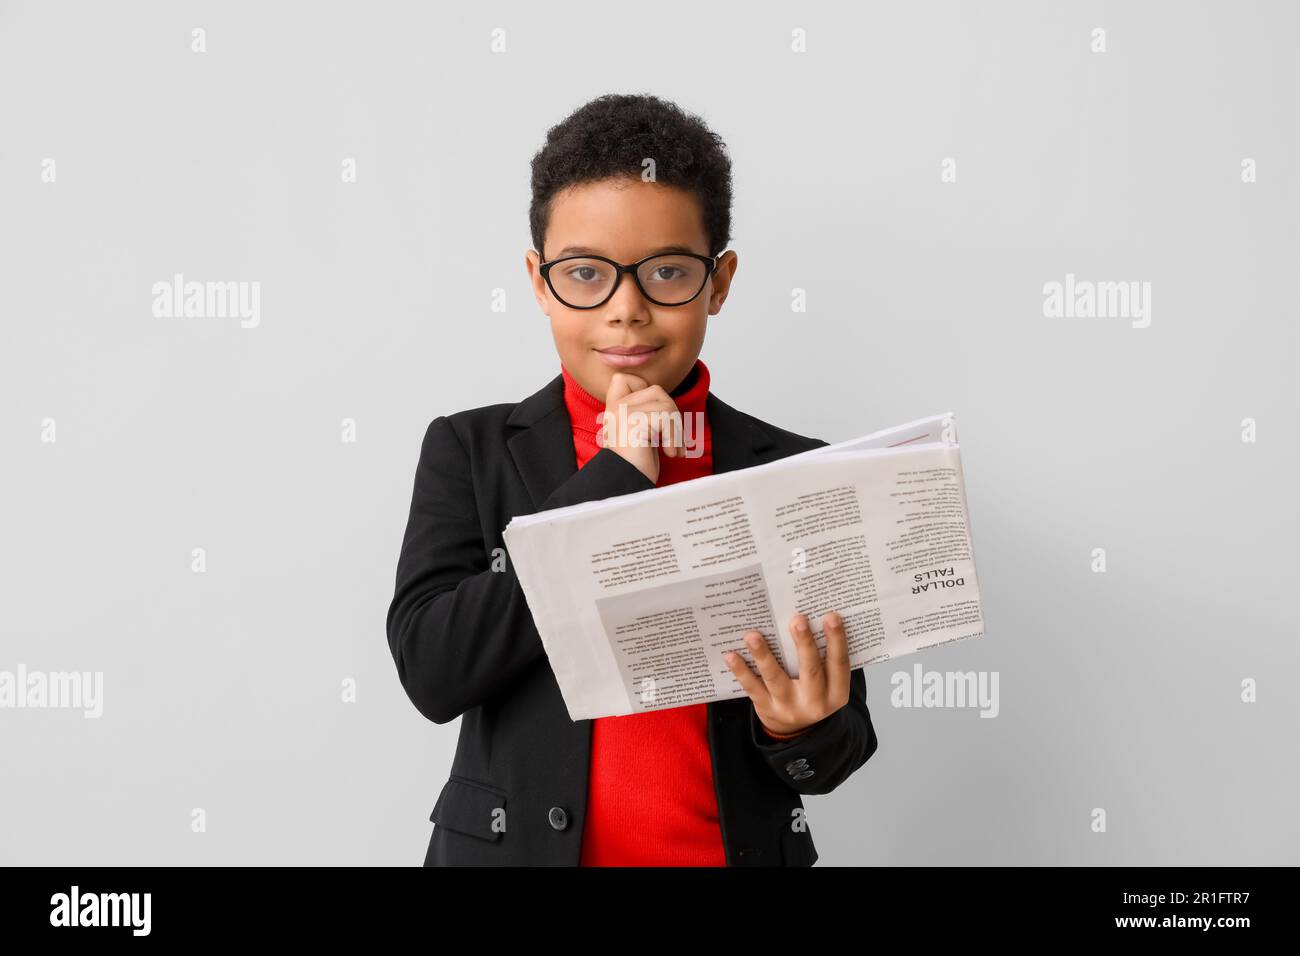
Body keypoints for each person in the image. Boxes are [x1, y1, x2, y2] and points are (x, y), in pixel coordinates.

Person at [385, 93, 878, 866]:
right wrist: (611, 480)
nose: (627, 311)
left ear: (718, 282)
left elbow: (840, 750)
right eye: (585, 274)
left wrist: (801, 725)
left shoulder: (793, 471)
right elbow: (434, 671)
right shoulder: (470, 449)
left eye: (667, 273)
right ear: (540, 281)